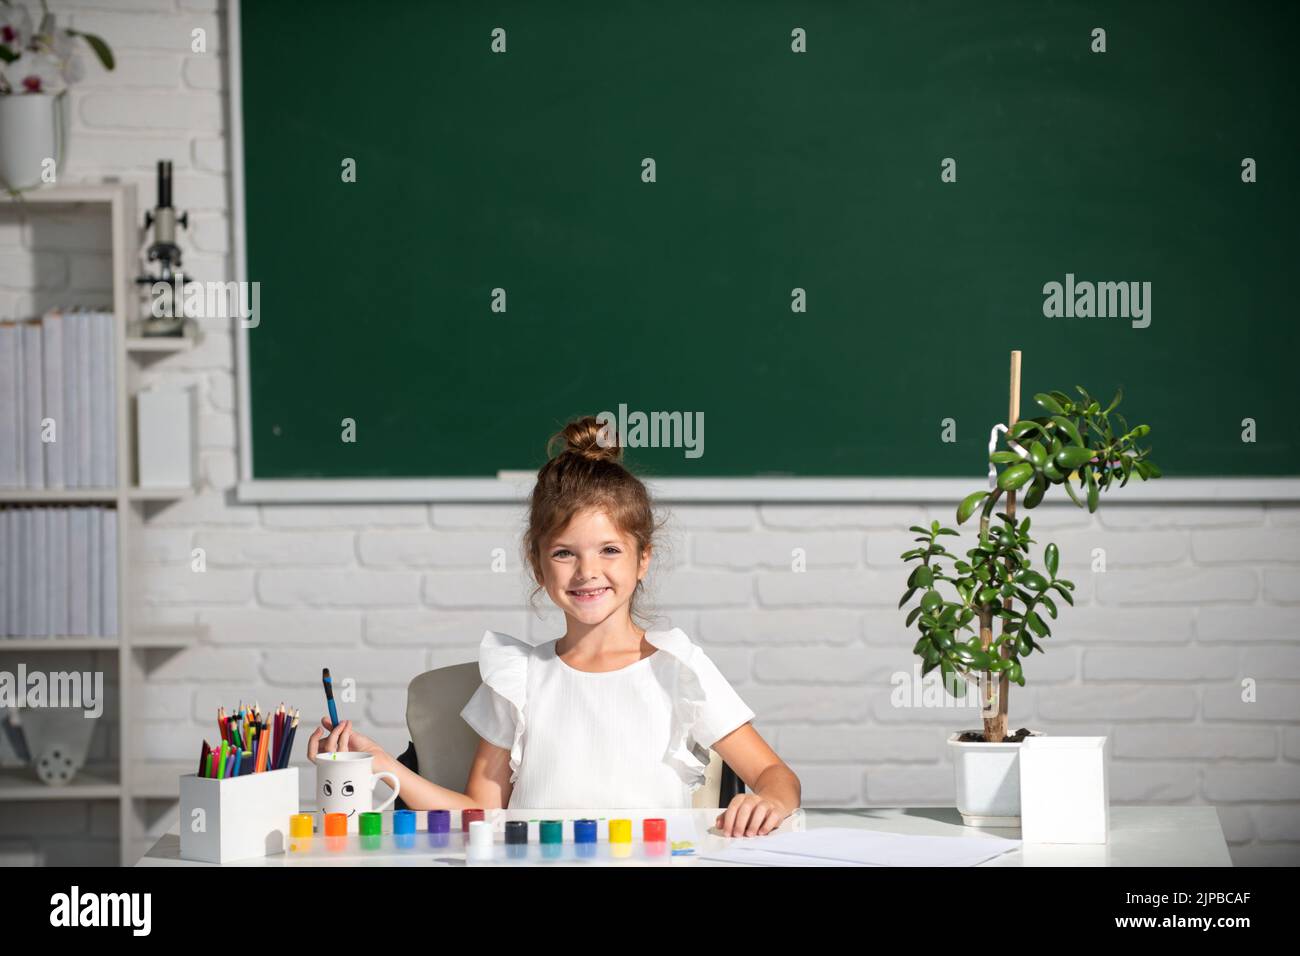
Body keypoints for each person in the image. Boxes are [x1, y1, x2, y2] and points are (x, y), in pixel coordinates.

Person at [309, 415, 801, 837]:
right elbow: (481, 814)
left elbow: (774, 774)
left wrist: (771, 801)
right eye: (565, 553)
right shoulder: (519, 677)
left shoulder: (677, 667)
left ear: (643, 558)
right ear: (538, 563)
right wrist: (383, 766)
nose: (588, 572)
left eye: (610, 550)